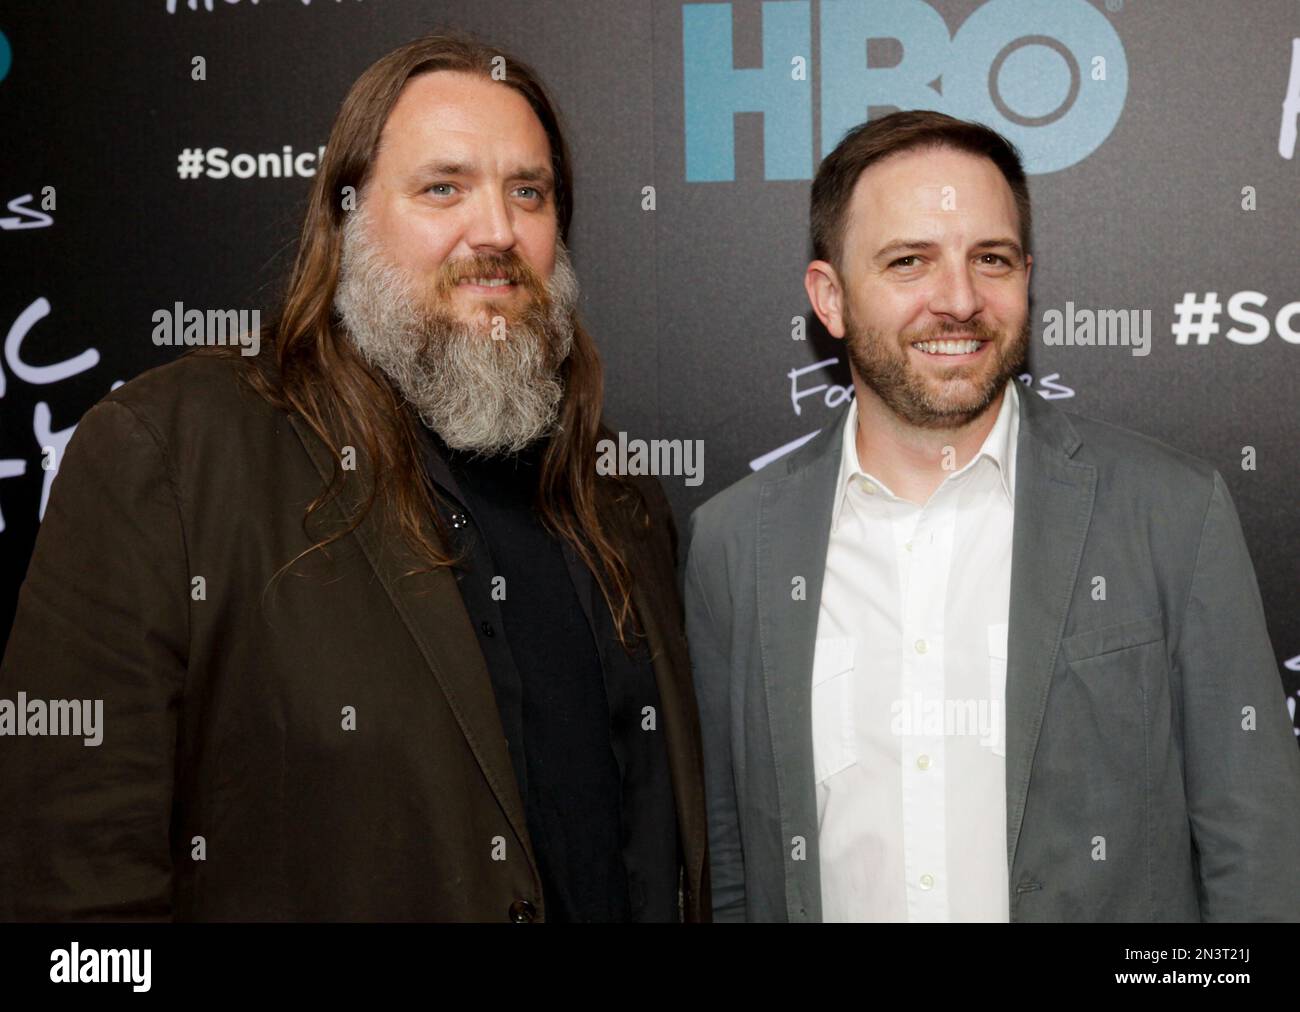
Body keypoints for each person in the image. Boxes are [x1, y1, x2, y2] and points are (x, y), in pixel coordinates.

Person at [0, 32, 707, 923]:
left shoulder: (619, 502)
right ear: (346, 221)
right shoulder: (173, 454)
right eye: (442, 188)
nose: (496, 231)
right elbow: (71, 886)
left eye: (528, 192)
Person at [685, 109, 1300, 922]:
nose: (961, 299)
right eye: (910, 261)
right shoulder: (736, 543)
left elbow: (1257, 854)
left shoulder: (1172, 512)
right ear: (829, 298)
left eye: (992, 260)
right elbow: (734, 861)